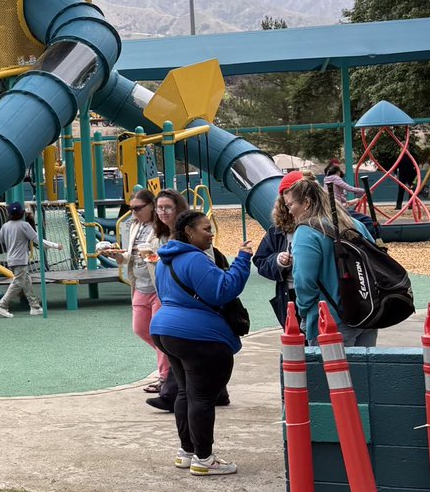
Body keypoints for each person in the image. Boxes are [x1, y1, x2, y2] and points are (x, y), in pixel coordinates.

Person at [150, 209, 252, 476]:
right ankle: (204, 459)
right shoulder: (195, 259)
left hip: (166, 330)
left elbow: (166, 295)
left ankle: (187, 451)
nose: (211, 234)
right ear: (189, 232)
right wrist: (242, 260)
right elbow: (223, 290)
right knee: (202, 397)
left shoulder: (165, 261)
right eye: (206, 229)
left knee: (185, 392)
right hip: (197, 335)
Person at [282, 173, 378, 347]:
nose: (289, 210)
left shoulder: (306, 232)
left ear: (306, 203)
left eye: (290, 204)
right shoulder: (354, 224)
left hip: (330, 318)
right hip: (366, 312)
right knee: (363, 372)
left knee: (330, 372)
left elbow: (303, 281)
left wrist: (305, 310)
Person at [99, 188, 168, 395]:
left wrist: (151, 256)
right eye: (131, 209)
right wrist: (116, 255)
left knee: (158, 333)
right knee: (140, 329)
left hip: (158, 286)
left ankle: (165, 377)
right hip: (140, 284)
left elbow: (163, 255)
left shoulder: (161, 228)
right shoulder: (134, 226)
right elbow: (129, 257)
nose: (134, 213)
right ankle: (172, 362)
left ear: (151, 207)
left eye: (138, 208)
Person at [0, 201, 62, 317]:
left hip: (11, 259)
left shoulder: (5, 226)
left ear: (8, 214)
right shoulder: (24, 225)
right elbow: (38, 240)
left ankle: (34, 306)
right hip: (21, 260)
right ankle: (2, 305)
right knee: (18, 283)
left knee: (26, 281)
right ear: (22, 213)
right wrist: (55, 245)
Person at [254, 171, 302, 328]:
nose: (291, 209)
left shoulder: (322, 226)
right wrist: (278, 261)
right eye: (288, 204)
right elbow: (260, 260)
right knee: (297, 342)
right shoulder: (278, 231)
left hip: (319, 294)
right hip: (290, 294)